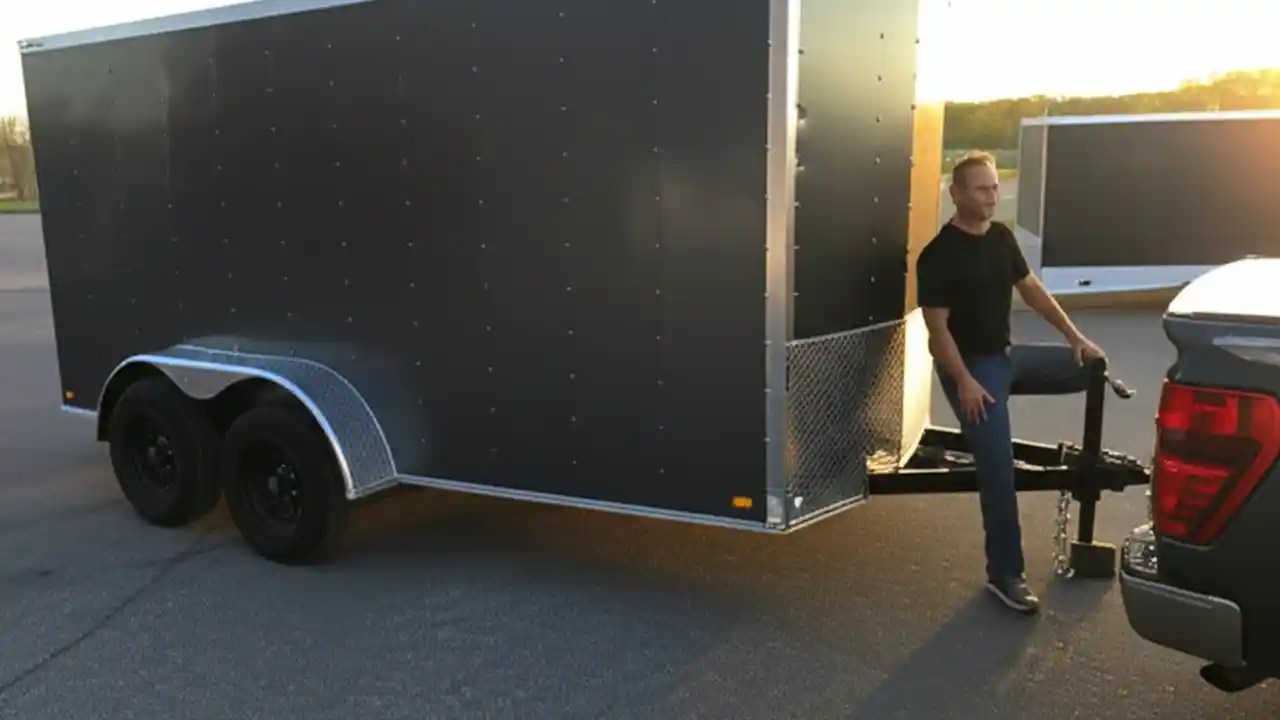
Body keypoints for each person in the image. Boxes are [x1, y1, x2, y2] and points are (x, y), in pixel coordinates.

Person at [915, 152, 1105, 614]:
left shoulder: (1001, 238)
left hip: (1005, 360)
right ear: (956, 193)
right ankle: (1005, 574)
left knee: (1092, 367)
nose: (992, 196)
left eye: (995, 187)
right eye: (982, 189)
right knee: (998, 466)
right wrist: (964, 382)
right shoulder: (938, 255)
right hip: (970, 371)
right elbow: (937, 332)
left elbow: (1032, 289)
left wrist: (1075, 338)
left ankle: (1086, 471)